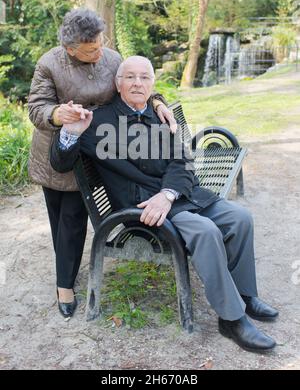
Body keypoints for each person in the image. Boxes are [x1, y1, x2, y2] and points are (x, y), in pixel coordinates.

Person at [50, 55, 278, 352]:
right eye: (130, 77)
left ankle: (245, 296)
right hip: (144, 209)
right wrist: (70, 133)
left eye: (144, 77)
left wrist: (168, 193)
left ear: (152, 85)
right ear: (118, 84)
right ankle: (232, 319)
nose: (137, 83)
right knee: (206, 232)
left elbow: (181, 161)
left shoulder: (160, 115)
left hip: (177, 197)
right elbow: (60, 163)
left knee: (240, 218)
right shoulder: (98, 121)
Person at [28, 9, 176, 319]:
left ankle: (64, 279)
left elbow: (133, 84)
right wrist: (58, 115)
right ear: (71, 48)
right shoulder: (50, 64)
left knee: (73, 219)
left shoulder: (111, 58)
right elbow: (37, 108)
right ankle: (64, 281)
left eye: (100, 43)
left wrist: (158, 101)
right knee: (63, 221)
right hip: (62, 151)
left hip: (102, 148)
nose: (99, 51)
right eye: (91, 48)